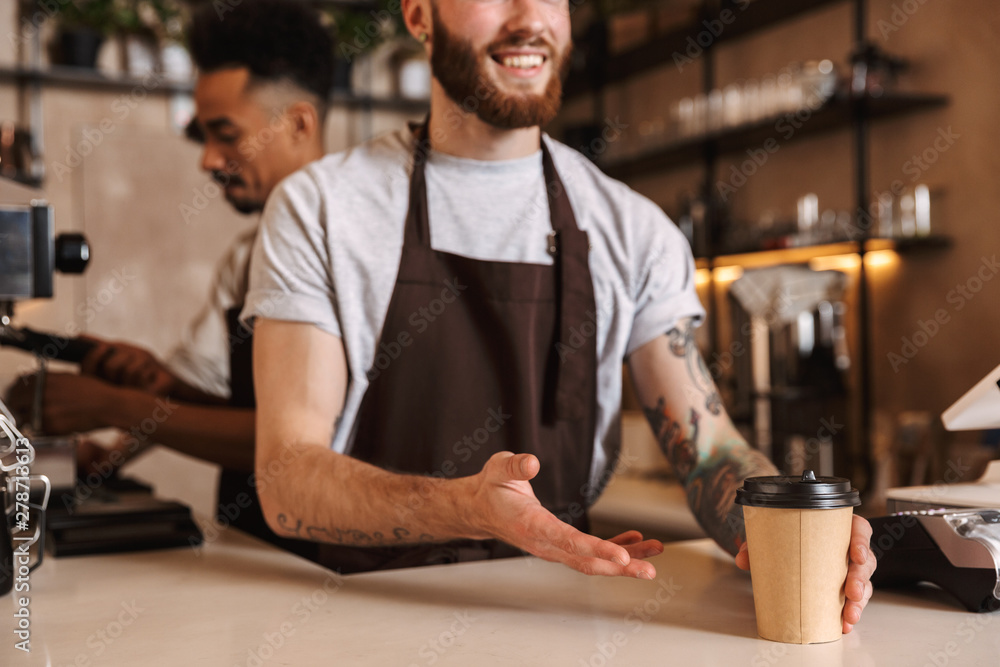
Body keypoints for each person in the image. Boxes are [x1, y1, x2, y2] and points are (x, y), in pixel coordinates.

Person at [244, 0, 876, 633]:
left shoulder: (634, 232)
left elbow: (709, 452)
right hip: (365, 622)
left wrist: (792, 521)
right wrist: (469, 507)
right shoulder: (320, 210)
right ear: (418, 15)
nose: (528, 18)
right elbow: (286, 479)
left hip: (564, 622)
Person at [5, 0, 332, 555]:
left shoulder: (352, 244)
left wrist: (111, 405)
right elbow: (218, 403)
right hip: (256, 548)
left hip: (327, 560)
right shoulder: (245, 255)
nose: (207, 160)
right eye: (202, 136)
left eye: (225, 134)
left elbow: (298, 442)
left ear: (299, 123)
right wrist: (148, 385)